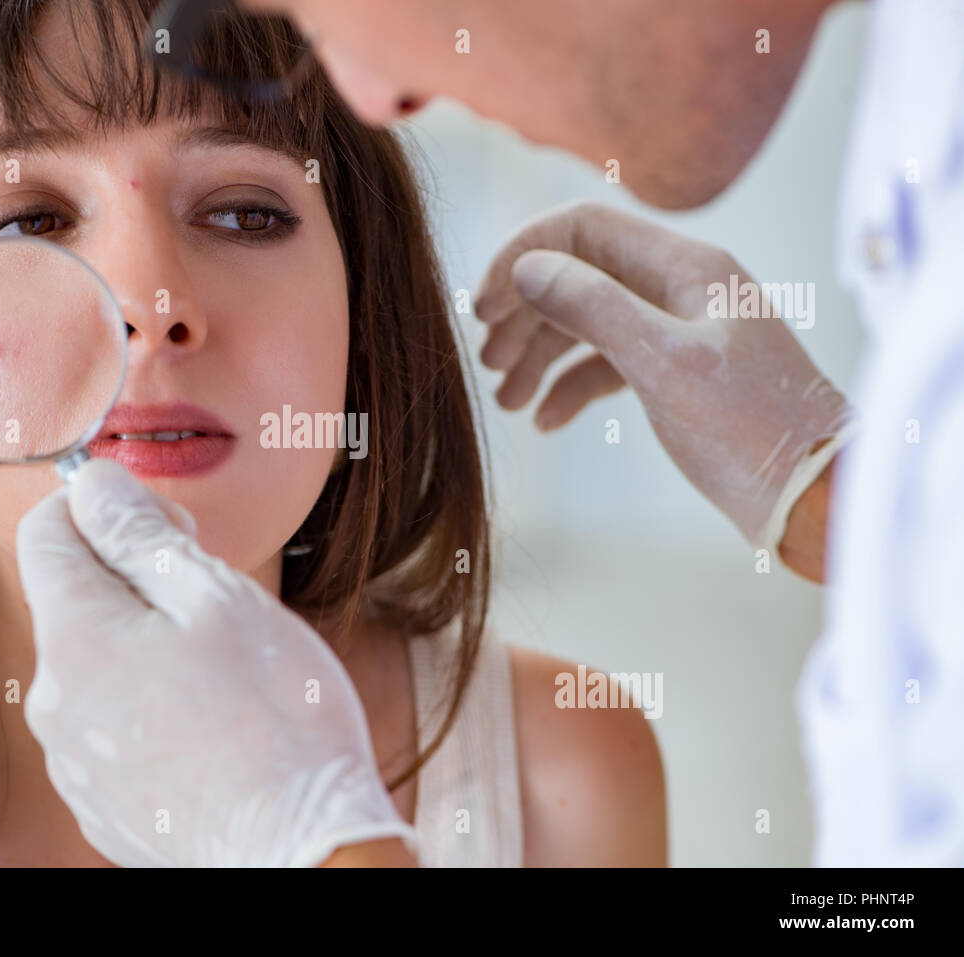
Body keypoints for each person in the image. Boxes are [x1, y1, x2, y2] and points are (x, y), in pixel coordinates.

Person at [0, 0, 666, 867]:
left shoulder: (556, 773)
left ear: (362, 323)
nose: (151, 303)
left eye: (242, 214)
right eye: (27, 219)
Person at [244, 0, 964, 865]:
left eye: (243, 213)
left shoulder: (565, 756)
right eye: (37, 217)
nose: (371, 93)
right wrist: (837, 503)